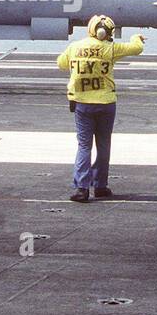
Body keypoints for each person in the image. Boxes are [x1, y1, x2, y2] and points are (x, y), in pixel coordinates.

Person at [56, 14, 145, 202]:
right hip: (106, 104)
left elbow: (61, 64)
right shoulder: (110, 48)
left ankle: (82, 188)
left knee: (84, 146)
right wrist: (136, 38)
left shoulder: (75, 47)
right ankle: (100, 186)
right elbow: (137, 49)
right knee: (103, 146)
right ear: (108, 32)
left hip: (82, 104)